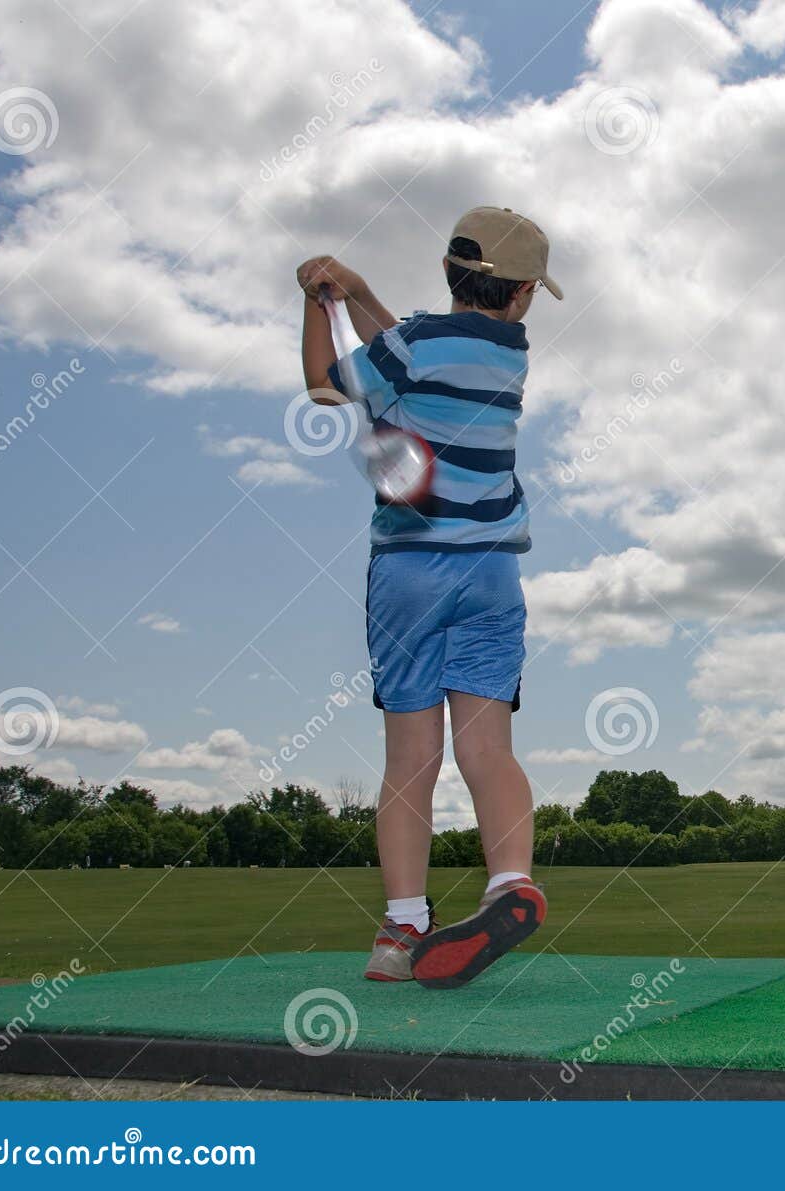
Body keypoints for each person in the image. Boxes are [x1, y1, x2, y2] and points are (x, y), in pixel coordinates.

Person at [295, 207, 562, 988]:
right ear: (518, 296)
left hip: (411, 570)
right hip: (492, 575)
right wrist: (364, 293)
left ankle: (402, 925)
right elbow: (407, 341)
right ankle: (511, 880)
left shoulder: (410, 346)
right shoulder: (507, 351)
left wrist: (319, 304)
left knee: (412, 759)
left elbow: (324, 382)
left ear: (450, 270)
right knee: (489, 749)